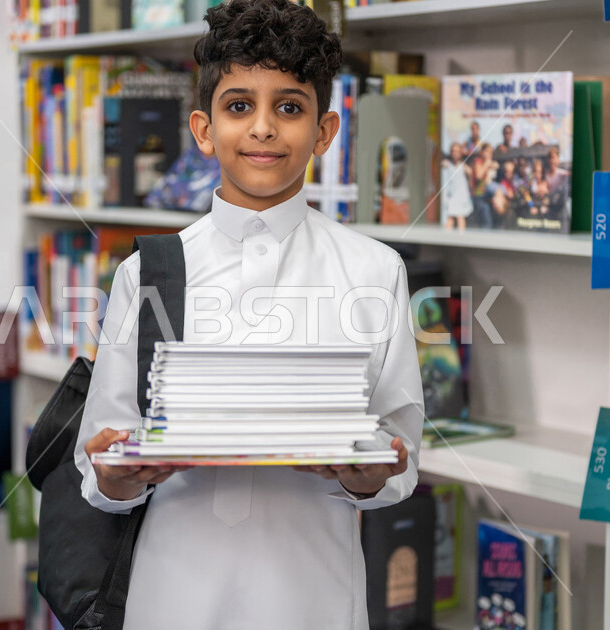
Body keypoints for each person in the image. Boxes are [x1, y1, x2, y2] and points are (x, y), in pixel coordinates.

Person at [75, 0, 424, 627]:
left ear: (324, 132)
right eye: (240, 106)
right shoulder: (148, 272)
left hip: (313, 595)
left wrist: (369, 474)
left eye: (289, 107)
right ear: (205, 130)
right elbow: (98, 465)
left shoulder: (376, 270)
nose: (263, 127)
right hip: (174, 594)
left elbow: (401, 457)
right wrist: (123, 473)